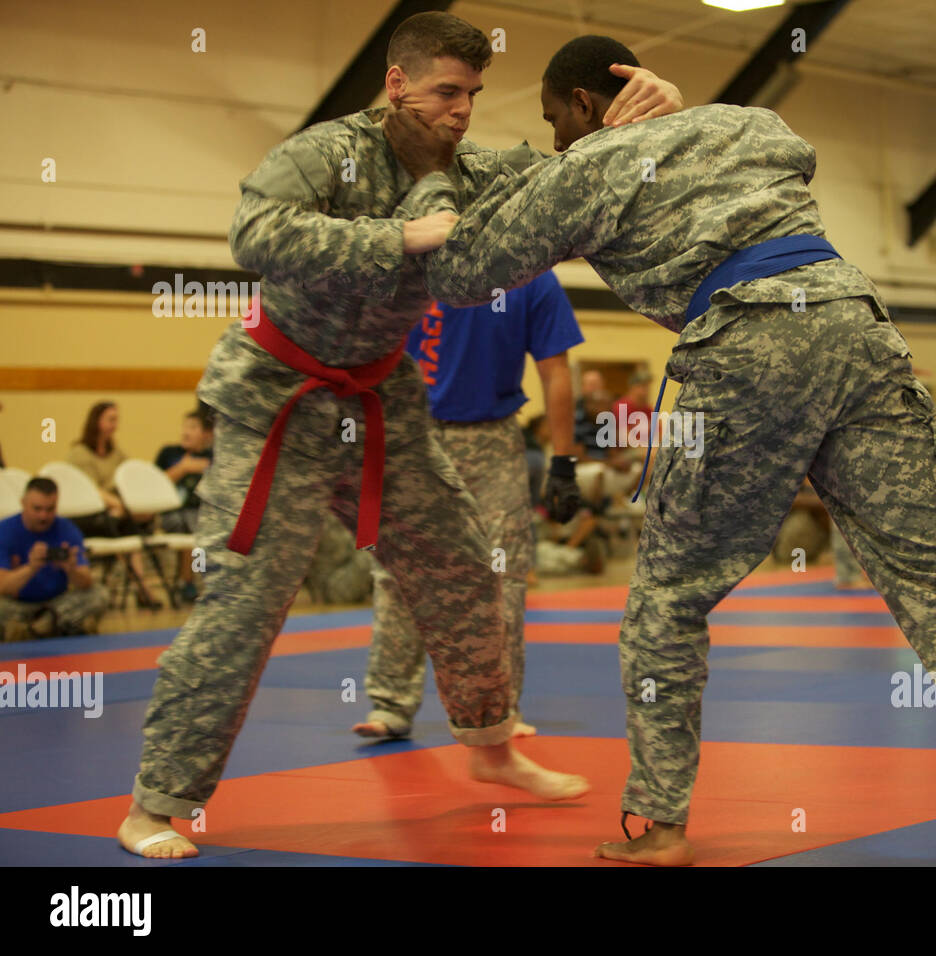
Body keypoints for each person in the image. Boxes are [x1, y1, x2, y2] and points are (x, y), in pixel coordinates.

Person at [416, 35, 936, 867]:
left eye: (557, 120)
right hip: (858, 328)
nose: (560, 139)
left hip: (748, 345)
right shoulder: (750, 124)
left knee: (669, 600)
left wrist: (430, 185)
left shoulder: (588, 168)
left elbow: (463, 274)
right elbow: (792, 151)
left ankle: (661, 825)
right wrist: (677, 114)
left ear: (584, 102)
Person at [115, 11, 683, 860]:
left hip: (381, 398)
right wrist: (403, 235)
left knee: (463, 567)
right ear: (397, 83)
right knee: (247, 599)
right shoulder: (326, 152)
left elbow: (559, 174)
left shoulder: (464, 164)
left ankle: (490, 745)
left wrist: (651, 114)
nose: (461, 110)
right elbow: (253, 232)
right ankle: (154, 805)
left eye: (473, 95)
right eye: (446, 92)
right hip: (281, 398)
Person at [352, 269, 583, 740]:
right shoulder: (413, 265)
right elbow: (367, 352)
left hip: (491, 438)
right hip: (411, 434)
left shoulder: (530, 277)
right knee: (397, 572)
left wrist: (563, 460)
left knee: (504, 575)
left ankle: (501, 710)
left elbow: (555, 369)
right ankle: (390, 705)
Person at [68, 401, 162, 608]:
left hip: (115, 514)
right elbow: (89, 489)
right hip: (87, 516)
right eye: (111, 419)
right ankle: (143, 588)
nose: (115, 425)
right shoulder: (79, 453)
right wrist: (119, 505)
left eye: (116, 420)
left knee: (126, 523)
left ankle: (142, 587)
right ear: (97, 421)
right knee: (122, 521)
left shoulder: (116, 453)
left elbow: (130, 477)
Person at [0, 477, 110, 640]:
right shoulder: (5, 530)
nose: (43, 516)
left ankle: (35, 628)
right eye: (37, 509)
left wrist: (71, 569)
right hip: (18, 605)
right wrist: (31, 567)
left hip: (57, 604)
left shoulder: (67, 529)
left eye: (50, 509)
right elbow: (2, 586)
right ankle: (52, 627)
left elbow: (86, 582)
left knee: (99, 595)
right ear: (23, 503)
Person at [154, 406, 215, 534]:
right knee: (180, 520)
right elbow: (155, 485)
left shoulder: (212, 457)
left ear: (206, 434)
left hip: (202, 511)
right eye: (184, 427)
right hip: (171, 511)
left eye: (192, 428)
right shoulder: (168, 452)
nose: (185, 432)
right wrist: (183, 468)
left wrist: (205, 466)